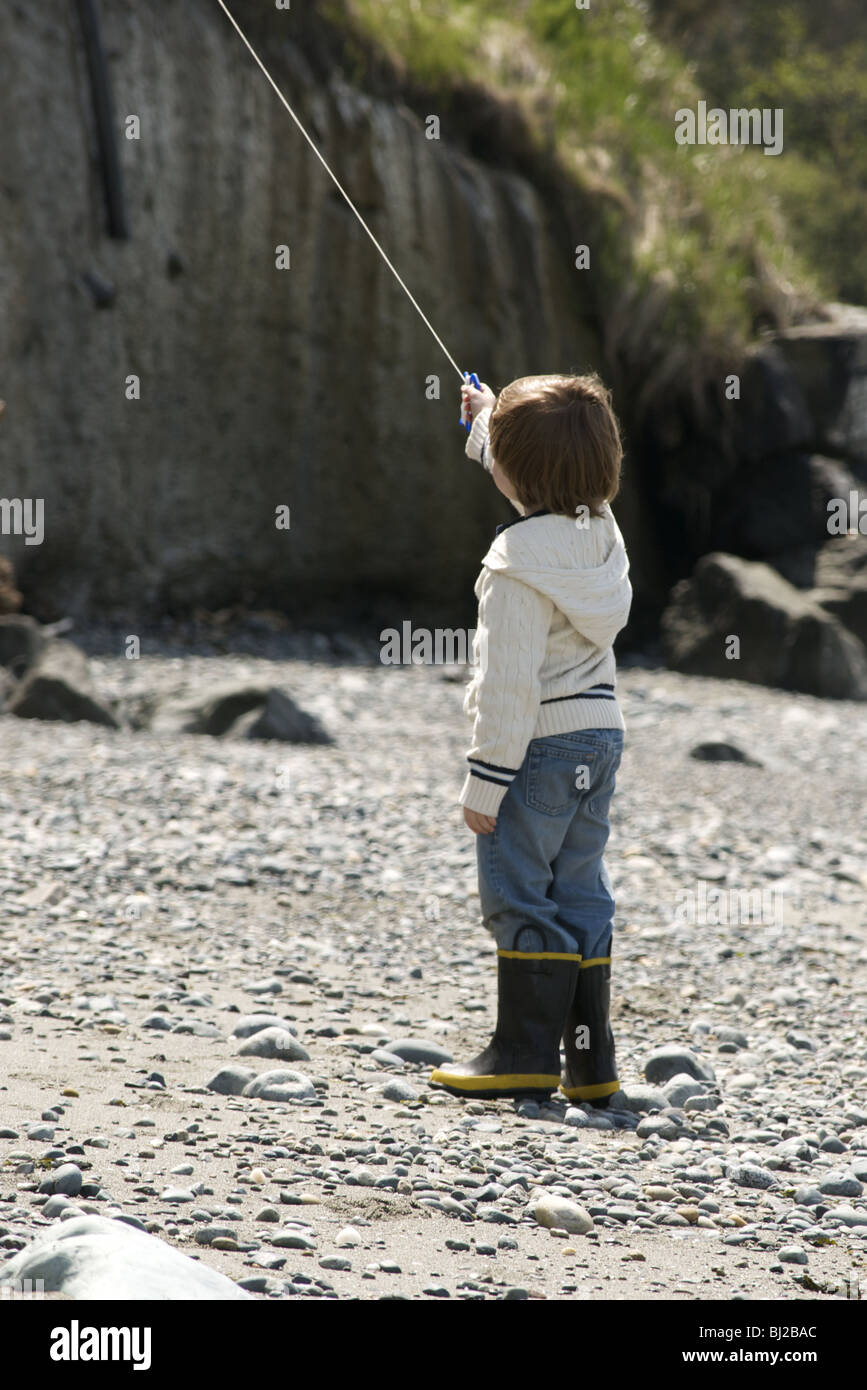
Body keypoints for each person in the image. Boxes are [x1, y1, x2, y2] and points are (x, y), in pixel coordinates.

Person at [429, 373, 633, 1104]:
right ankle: (590, 1062)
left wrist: (484, 782)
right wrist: (486, 422)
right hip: (599, 741)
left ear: (515, 475)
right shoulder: (599, 531)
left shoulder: (513, 568)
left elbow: (508, 687)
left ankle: (520, 1054)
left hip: (537, 750)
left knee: (517, 892)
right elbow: (537, 479)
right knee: (579, 888)